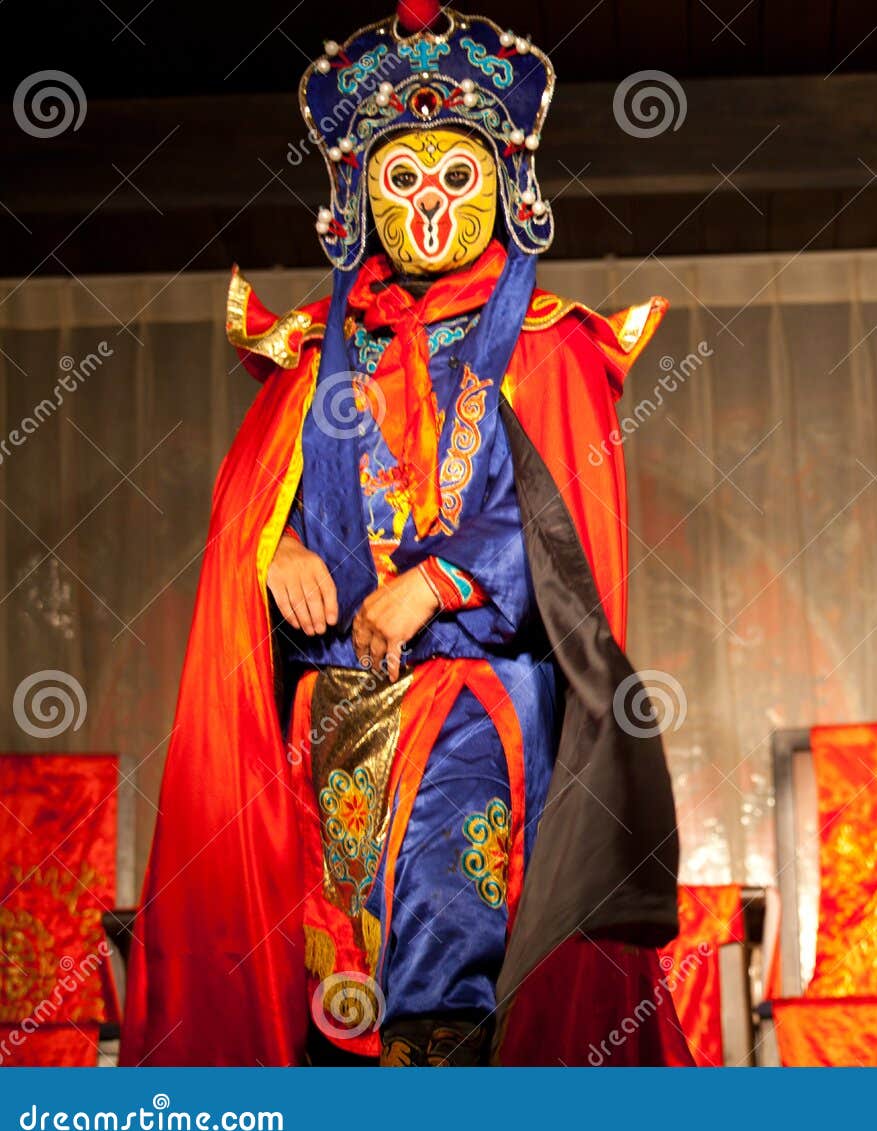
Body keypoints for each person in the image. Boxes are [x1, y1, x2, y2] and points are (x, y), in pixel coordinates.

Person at [122, 1, 681, 1066]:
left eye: (455, 176)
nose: (428, 202)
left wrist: (439, 581)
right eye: (403, 177)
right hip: (328, 705)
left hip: (474, 691)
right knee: (333, 963)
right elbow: (257, 505)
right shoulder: (317, 355)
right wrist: (274, 551)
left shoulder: (549, 347)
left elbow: (561, 529)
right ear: (358, 195)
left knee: (443, 913)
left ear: (505, 185)